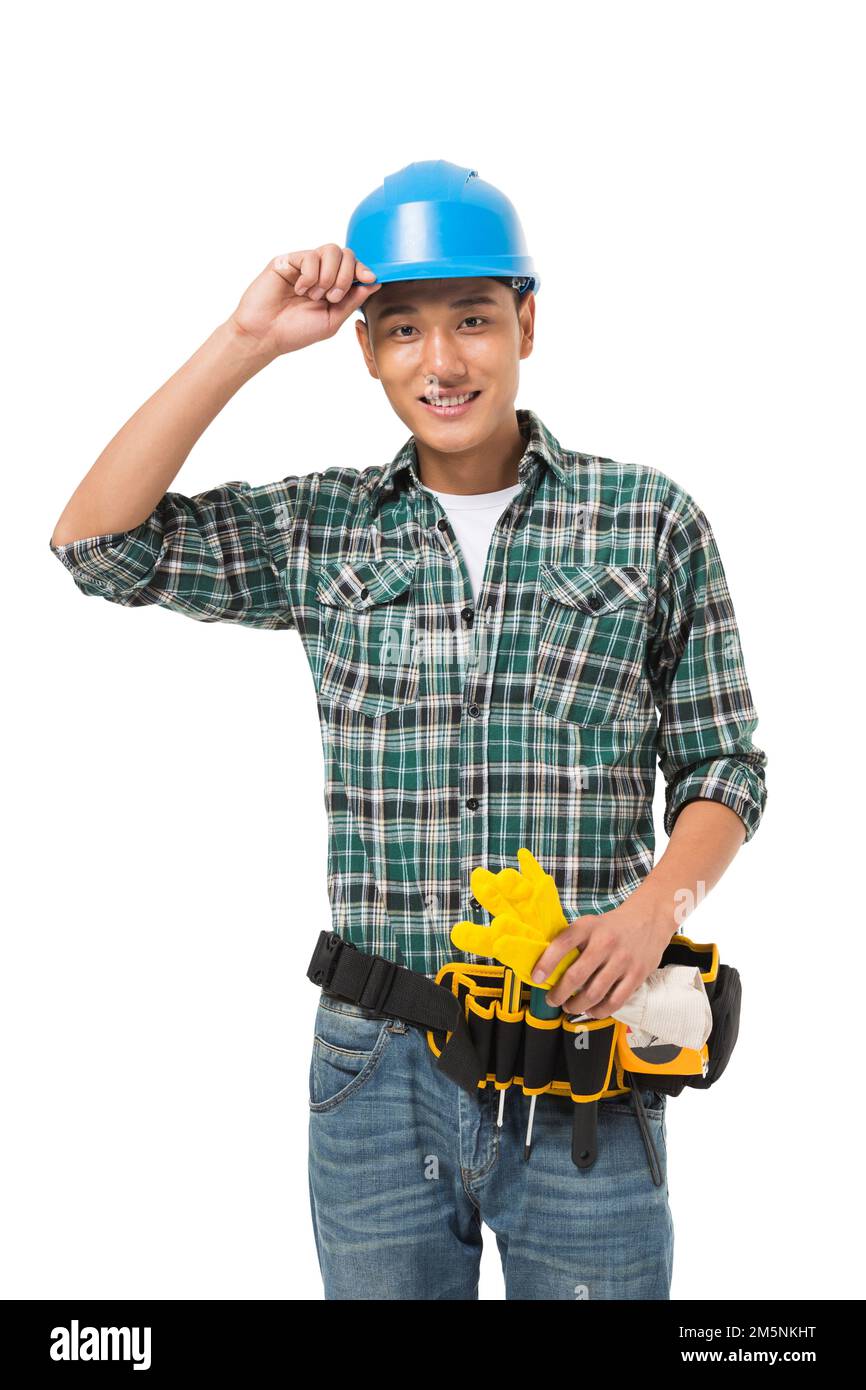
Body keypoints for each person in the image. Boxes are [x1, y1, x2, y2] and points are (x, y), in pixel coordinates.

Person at [49, 161, 768, 1300]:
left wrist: (651, 912)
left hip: (584, 1066)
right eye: (403, 330)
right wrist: (246, 339)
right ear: (367, 349)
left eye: (473, 320)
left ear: (525, 321)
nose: (442, 362)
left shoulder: (646, 520)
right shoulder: (324, 528)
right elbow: (98, 545)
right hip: (376, 1076)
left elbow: (724, 763)